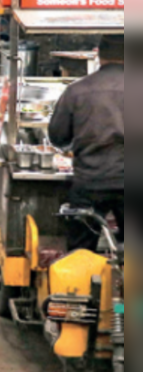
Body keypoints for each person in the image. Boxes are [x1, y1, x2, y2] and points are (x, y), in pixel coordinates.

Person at [48, 34, 124, 252]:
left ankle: (80, 285)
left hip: (91, 182)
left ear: (99, 56)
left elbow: (57, 136)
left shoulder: (77, 91)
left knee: (81, 252)